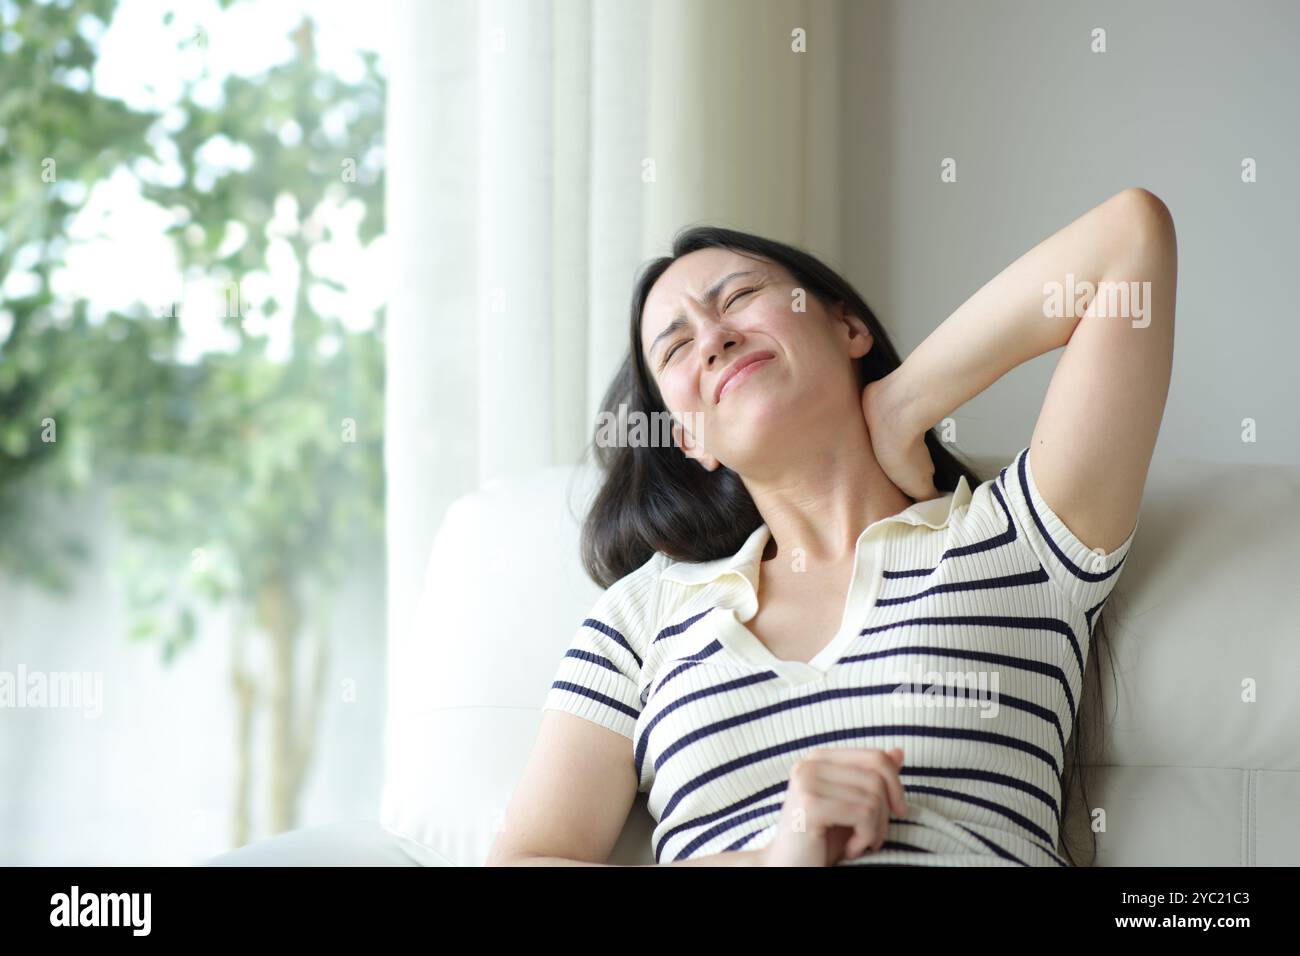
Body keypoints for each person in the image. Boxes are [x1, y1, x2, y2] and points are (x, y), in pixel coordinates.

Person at [488, 187, 1177, 867]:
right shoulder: (644, 616)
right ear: (690, 439)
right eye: (674, 349)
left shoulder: (1020, 539)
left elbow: (1130, 242)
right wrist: (769, 860)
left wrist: (903, 403)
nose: (714, 339)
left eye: (739, 299)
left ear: (848, 328)